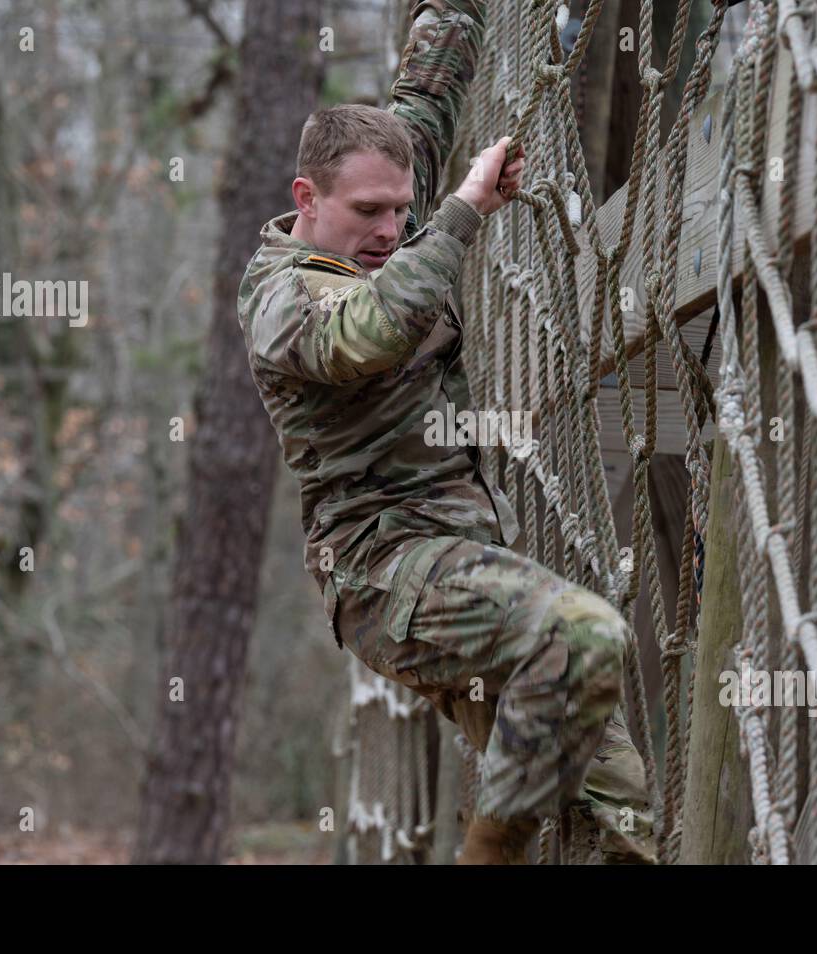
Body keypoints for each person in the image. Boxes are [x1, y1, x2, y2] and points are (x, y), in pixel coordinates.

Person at [236, 0, 654, 864]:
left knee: (612, 793)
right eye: (368, 213)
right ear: (307, 201)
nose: (390, 229)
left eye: (401, 209)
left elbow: (439, 63)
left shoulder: (387, 196)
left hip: (470, 558)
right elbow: (368, 334)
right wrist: (463, 211)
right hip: (386, 574)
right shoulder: (279, 297)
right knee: (585, 634)